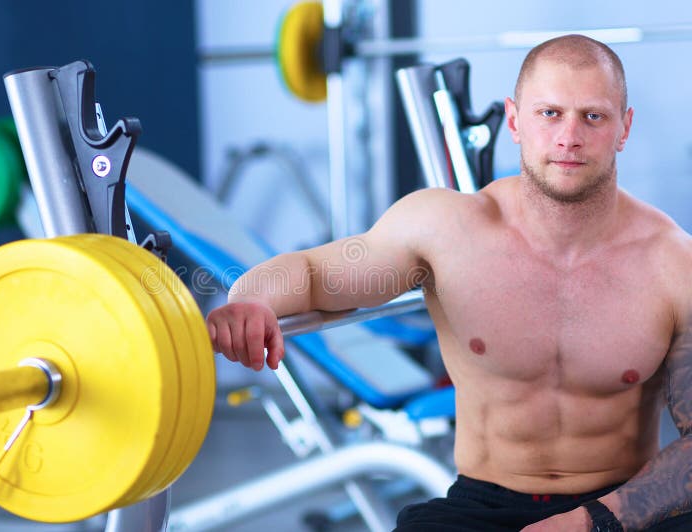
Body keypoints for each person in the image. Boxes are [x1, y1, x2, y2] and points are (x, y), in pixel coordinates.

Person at [205, 34, 692, 531]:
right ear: (515, 119)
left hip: (623, 511)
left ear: (624, 127)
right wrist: (252, 300)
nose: (569, 137)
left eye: (593, 116)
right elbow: (312, 273)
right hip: (480, 507)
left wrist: (594, 522)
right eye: (550, 113)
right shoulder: (446, 227)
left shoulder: (675, 265)